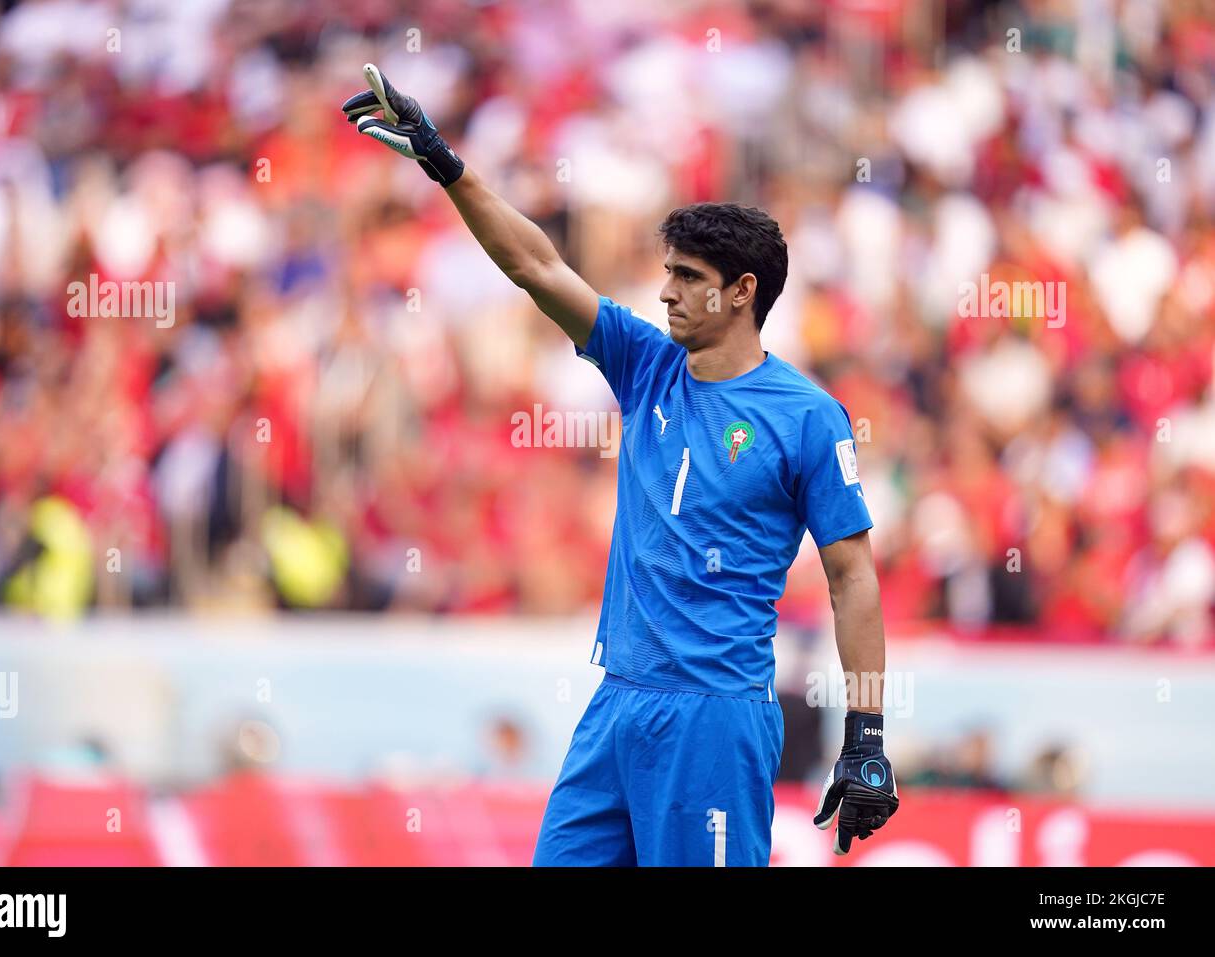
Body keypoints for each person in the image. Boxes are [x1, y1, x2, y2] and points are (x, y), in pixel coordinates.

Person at [343, 65, 899, 866]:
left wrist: (868, 732)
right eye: (667, 270)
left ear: (743, 291)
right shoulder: (644, 364)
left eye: (687, 278)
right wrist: (447, 167)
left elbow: (852, 575)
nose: (665, 291)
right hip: (618, 704)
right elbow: (535, 266)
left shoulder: (807, 416)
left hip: (716, 716)